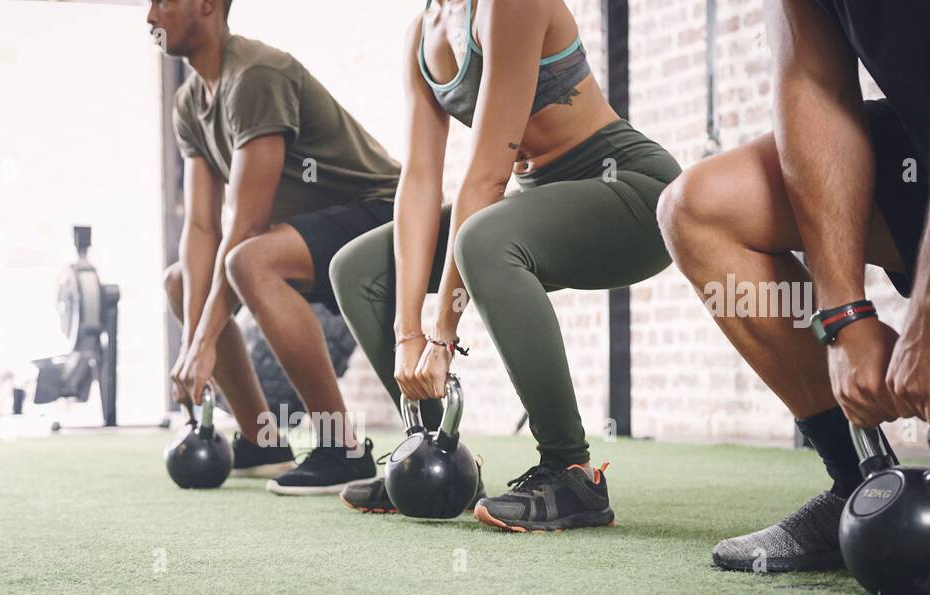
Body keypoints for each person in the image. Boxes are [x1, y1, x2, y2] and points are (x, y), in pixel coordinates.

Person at [329, 0, 681, 530]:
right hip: (535, 205)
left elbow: (487, 178)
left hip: (631, 194)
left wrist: (442, 335)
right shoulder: (422, 32)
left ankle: (572, 471)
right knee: (358, 269)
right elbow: (420, 181)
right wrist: (407, 336)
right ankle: (435, 455)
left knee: (481, 237)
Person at [658, 0, 930, 572]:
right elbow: (814, 85)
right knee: (699, 210)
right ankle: (859, 484)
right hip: (927, 157)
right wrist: (844, 318)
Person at [149, 0, 403, 492]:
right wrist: (189, 348)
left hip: (382, 216)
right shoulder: (190, 104)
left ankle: (342, 448)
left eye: (163, 2)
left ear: (205, 5)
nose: (150, 17)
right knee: (182, 280)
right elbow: (203, 229)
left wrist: (205, 343)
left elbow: (246, 226)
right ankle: (262, 439)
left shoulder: (256, 75)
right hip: (309, 236)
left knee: (251, 259)